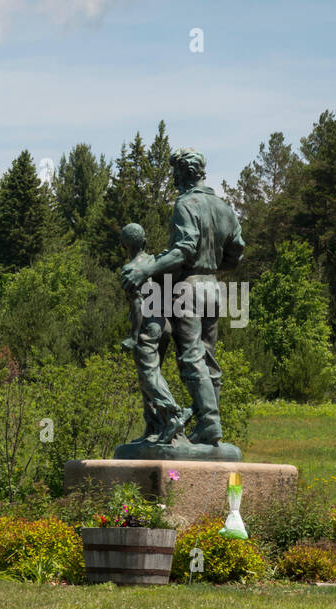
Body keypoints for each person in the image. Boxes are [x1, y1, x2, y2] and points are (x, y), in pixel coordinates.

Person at [120, 147, 244, 446]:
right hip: (214, 288)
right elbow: (236, 253)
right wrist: (211, 265)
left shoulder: (186, 204)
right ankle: (208, 424)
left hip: (188, 286)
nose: (174, 179)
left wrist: (147, 268)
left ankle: (209, 422)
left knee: (191, 357)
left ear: (186, 173)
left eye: (176, 173)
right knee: (208, 358)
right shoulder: (225, 208)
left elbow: (184, 249)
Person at [120, 223, 189, 444]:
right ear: (144, 242)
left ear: (124, 246)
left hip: (147, 325)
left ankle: (173, 414)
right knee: (150, 375)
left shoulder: (131, 269)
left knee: (148, 376)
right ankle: (154, 427)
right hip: (165, 323)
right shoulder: (155, 262)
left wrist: (134, 335)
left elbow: (139, 302)